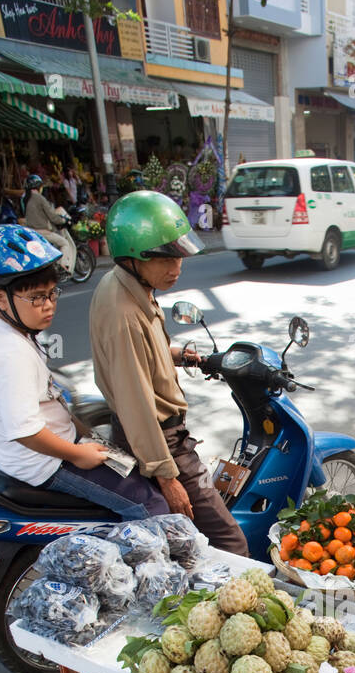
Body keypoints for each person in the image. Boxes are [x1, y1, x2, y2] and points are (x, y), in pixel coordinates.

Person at [0, 224, 169, 519]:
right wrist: (78, 455)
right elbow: (25, 430)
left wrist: (88, 437)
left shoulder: (0, 331)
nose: (49, 306)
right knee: (153, 505)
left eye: (51, 294)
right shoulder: (8, 352)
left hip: (37, 455)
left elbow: (47, 401)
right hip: (45, 463)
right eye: (36, 297)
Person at [89, 190, 248, 556]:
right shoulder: (123, 311)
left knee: (185, 544)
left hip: (162, 439)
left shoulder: (130, 287)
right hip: (162, 444)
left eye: (180, 257)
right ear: (132, 257)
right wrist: (168, 476)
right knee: (229, 542)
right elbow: (135, 403)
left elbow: (141, 357)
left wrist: (182, 356)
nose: (176, 268)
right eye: (165, 258)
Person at [20, 174, 76, 277]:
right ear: (38, 186)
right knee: (64, 243)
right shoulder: (39, 198)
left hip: (31, 232)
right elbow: (52, 216)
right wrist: (63, 220)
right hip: (42, 232)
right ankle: (62, 266)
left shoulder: (25, 199)